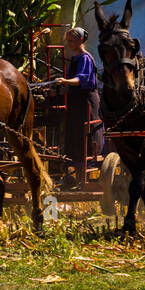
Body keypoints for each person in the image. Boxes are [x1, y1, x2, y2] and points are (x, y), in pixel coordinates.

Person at [55, 27, 101, 189]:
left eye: (71, 40)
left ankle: (84, 180)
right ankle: (77, 178)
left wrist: (66, 82)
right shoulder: (75, 58)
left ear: (80, 40)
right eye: (68, 41)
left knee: (84, 136)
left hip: (85, 102)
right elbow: (71, 83)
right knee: (74, 135)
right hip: (76, 102)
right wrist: (61, 88)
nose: (69, 43)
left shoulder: (85, 58)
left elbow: (81, 80)